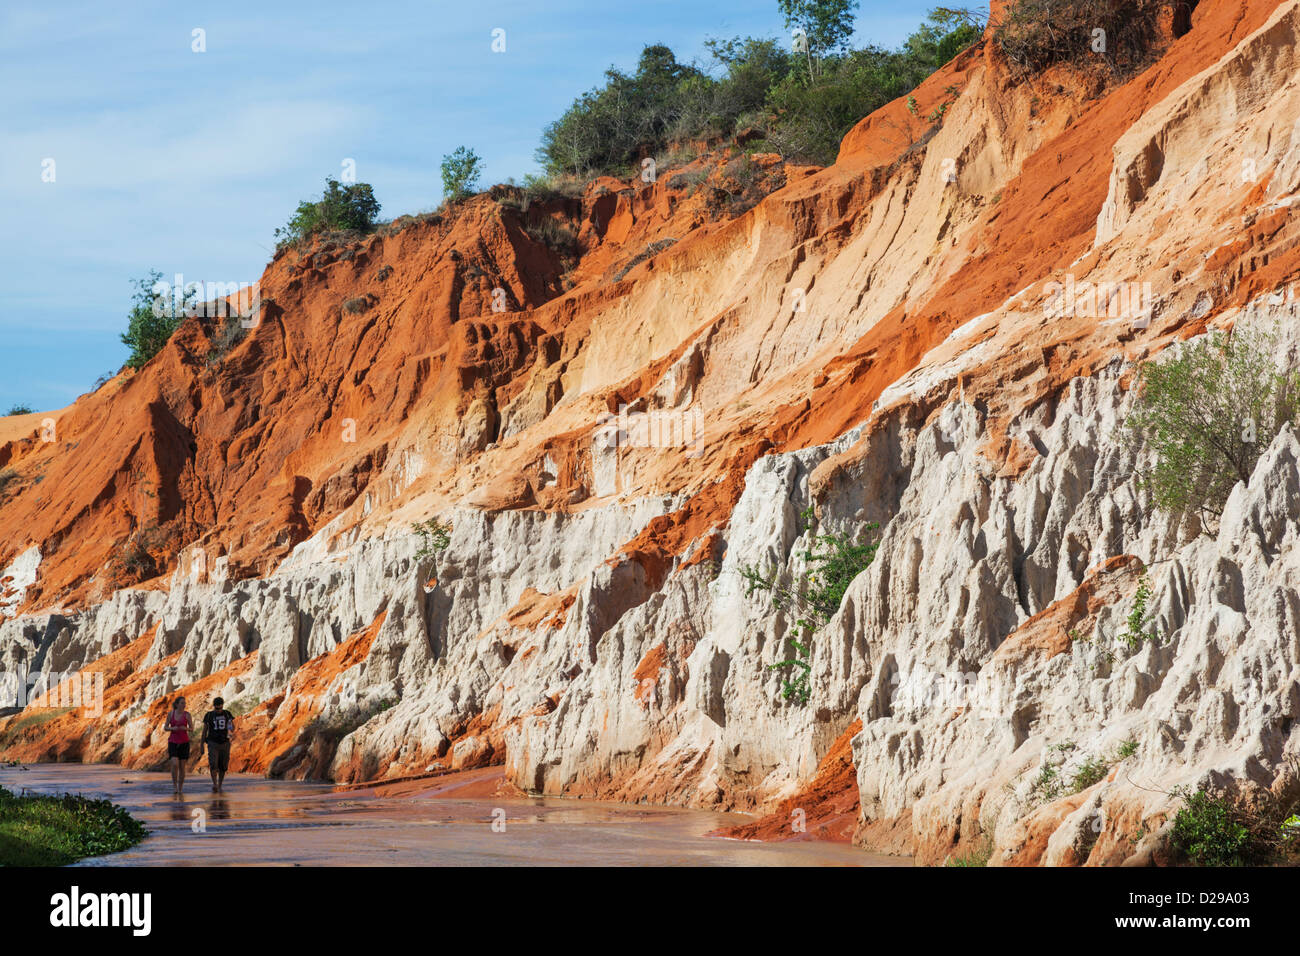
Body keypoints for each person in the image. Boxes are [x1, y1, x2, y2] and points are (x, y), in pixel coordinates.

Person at [200, 697, 236, 793]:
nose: (219, 711)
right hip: (213, 742)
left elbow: (233, 728)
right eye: (217, 709)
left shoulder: (227, 714)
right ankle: (215, 784)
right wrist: (201, 745)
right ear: (214, 707)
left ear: (222, 706)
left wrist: (230, 725)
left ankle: (220, 784)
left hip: (225, 742)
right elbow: (204, 731)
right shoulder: (209, 715)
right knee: (213, 764)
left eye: (220, 708)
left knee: (223, 765)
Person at [164, 697, 193, 797]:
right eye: (182, 703)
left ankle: (180, 788)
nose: (184, 705)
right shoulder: (171, 714)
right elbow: (165, 727)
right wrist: (173, 728)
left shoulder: (187, 715)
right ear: (176, 704)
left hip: (184, 742)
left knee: (182, 767)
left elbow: (192, 728)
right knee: (174, 763)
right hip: (173, 741)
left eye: (184, 703)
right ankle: (174, 785)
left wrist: (186, 728)